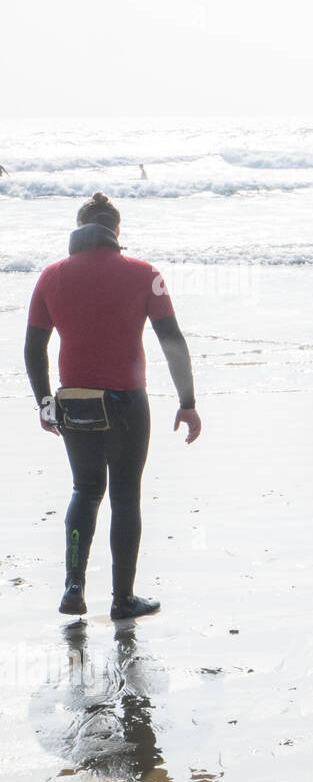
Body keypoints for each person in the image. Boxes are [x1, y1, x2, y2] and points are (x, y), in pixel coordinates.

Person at [24, 192, 202, 620]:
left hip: (74, 401)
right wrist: (187, 402)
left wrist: (45, 401)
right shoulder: (145, 274)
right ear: (116, 231)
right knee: (124, 496)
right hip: (127, 402)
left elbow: (33, 348)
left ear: (79, 228)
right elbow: (172, 342)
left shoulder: (51, 276)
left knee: (85, 490)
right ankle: (123, 599)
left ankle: (73, 587)